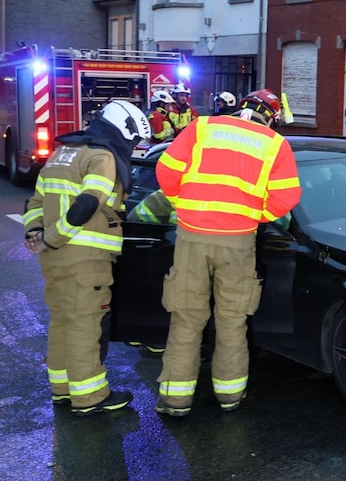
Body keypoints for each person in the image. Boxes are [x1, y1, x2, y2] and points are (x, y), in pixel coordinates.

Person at [154, 88, 301, 417]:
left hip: (192, 237)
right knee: (233, 321)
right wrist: (251, 216)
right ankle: (229, 396)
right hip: (238, 241)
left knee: (186, 319)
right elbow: (285, 198)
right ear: (271, 117)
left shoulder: (202, 127)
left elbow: (165, 172)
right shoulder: (274, 144)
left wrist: (188, 208)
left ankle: (176, 399)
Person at [23, 100, 153, 416]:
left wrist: (37, 234)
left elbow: (36, 201)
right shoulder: (102, 155)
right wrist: (52, 239)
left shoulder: (62, 153)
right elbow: (87, 205)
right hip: (85, 257)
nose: (132, 146)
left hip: (54, 260)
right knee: (86, 325)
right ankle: (89, 396)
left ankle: (62, 388)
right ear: (124, 128)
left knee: (63, 321)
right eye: (133, 139)